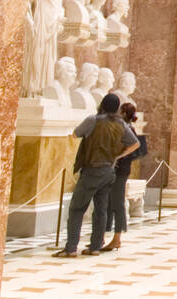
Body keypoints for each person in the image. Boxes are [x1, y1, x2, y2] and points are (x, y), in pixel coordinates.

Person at [54, 93, 140, 258]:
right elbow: (135, 143)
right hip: (109, 171)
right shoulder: (120, 124)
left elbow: (75, 134)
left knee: (77, 208)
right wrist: (117, 156)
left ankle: (71, 248)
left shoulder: (93, 120)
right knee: (101, 210)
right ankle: (95, 246)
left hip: (92, 169)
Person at [103, 102, 147, 252]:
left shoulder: (127, 129)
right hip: (115, 169)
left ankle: (117, 238)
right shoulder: (122, 127)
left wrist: (118, 156)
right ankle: (104, 235)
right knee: (108, 201)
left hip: (120, 170)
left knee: (117, 203)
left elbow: (134, 146)